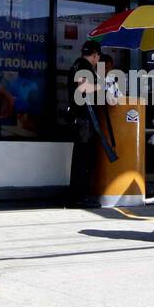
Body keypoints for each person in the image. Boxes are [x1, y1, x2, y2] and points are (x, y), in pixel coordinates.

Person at [66, 40, 101, 208]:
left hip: (80, 118)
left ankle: (78, 196)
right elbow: (82, 87)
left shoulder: (78, 64)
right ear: (95, 55)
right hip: (84, 120)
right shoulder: (84, 66)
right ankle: (79, 197)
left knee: (82, 158)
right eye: (97, 57)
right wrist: (101, 87)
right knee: (84, 159)